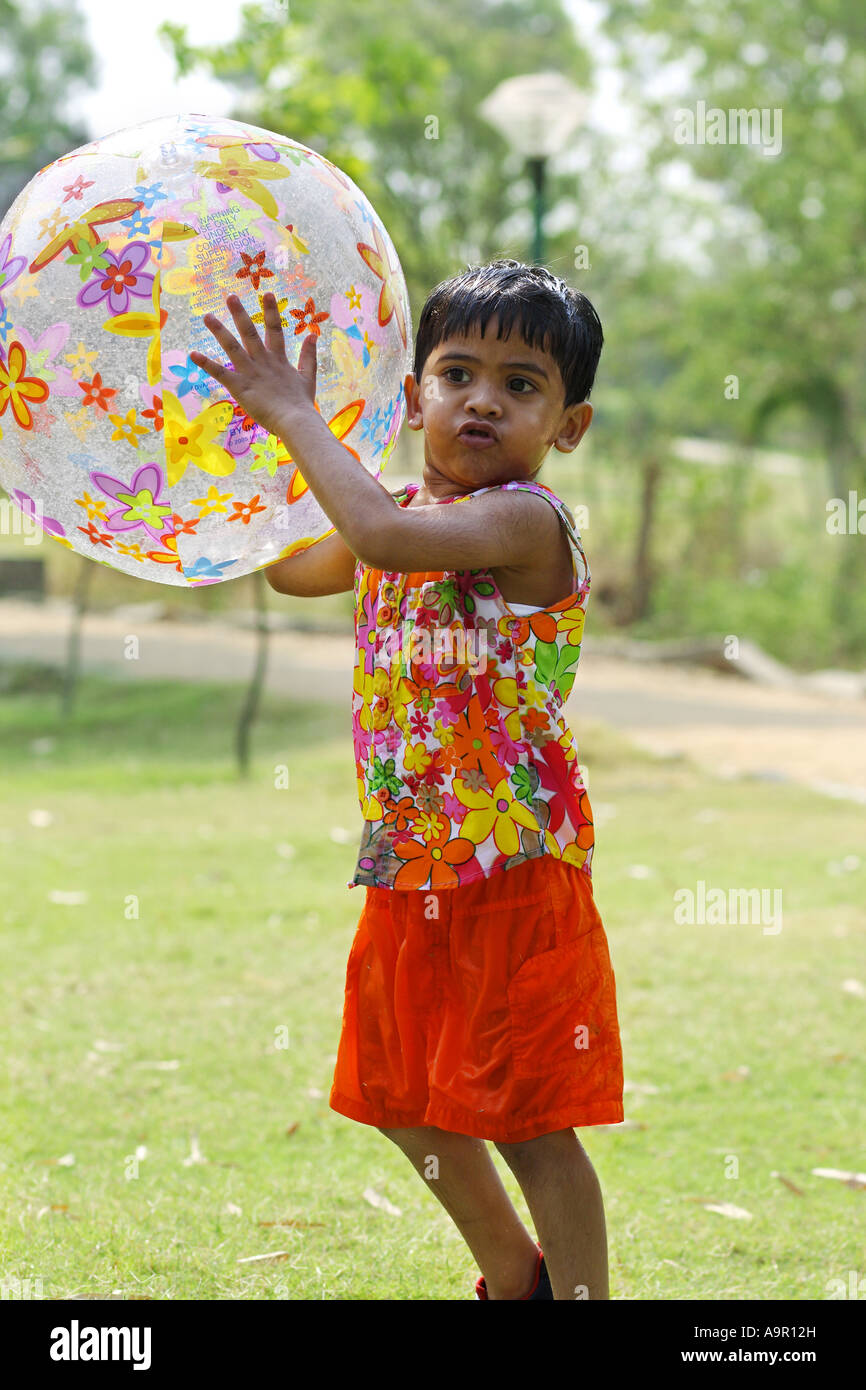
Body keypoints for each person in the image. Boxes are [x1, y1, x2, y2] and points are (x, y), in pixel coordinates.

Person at [190, 258, 624, 1301]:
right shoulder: (392, 504)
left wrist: (295, 415)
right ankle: (509, 1277)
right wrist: (241, 460)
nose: (481, 399)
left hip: (509, 865)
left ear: (567, 425)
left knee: (529, 1120)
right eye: (456, 373)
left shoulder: (522, 522)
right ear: (410, 395)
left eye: (521, 385)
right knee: (397, 1093)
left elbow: (383, 540)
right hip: (405, 858)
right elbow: (296, 564)